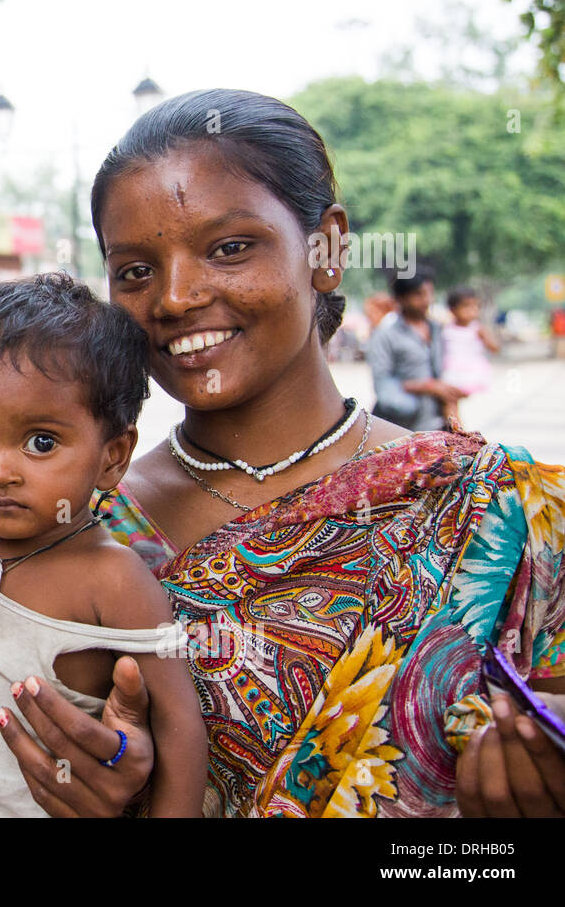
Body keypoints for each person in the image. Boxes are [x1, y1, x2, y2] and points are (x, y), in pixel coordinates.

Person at [80, 88, 565, 817]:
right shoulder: (84, 530)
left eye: (229, 248)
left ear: (328, 249)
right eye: (136, 270)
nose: (174, 298)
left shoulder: (500, 506)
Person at [0, 273, 207, 817]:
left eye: (41, 442)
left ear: (112, 456)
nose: (0, 471)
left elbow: (180, 729)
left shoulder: (112, 578)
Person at [366, 267, 465, 430]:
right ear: (401, 298)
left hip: (437, 425)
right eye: (419, 295)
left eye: (429, 293)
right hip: (401, 428)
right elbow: (382, 384)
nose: (427, 300)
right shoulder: (385, 335)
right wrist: (428, 387)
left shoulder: (437, 329)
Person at [441, 286, 499, 422]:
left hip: (470, 371)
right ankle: (456, 428)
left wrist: (486, 338)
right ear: (453, 309)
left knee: (450, 399)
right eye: (467, 307)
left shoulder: (477, 328)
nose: (472, 311)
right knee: (450, 401)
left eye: (476, 307)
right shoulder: (446, 329)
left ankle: (456, 430)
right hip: (452, 370)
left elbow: (494, 347)